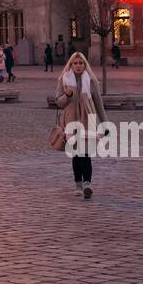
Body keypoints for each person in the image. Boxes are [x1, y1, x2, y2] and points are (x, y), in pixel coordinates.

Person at [54, 52, 106, 199]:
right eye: (75, 63)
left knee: (86, 153)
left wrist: (105, 123)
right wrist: (67, 95)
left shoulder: (91, 80)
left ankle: (87, 184)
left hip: (88, 119)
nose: (78, 66)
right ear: (71, 65)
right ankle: (78, 184)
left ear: (85, 65)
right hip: (71, 121)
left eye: (80, 63)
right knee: (76, 154)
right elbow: (59, 102)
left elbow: (99, 103)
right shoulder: (64, 80)